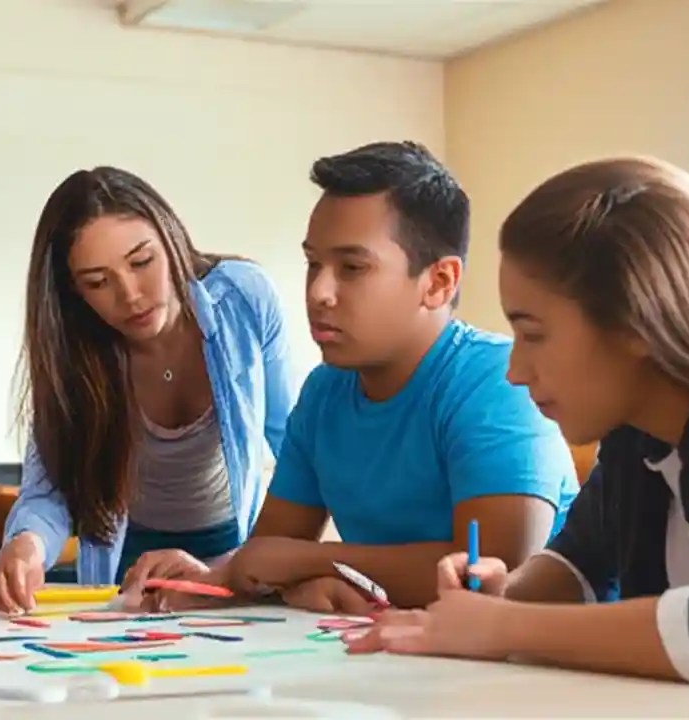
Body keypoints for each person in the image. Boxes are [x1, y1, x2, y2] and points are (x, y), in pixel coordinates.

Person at [126, 142, 579, 611]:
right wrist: (211, 580)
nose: (319, 292)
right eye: (313, 264)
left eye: (353, 268)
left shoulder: (497, 380)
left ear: (439, 282)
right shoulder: (324, 392)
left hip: (548, 667)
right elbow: (266, 558)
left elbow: (488, 568)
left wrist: (312, 563)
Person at [345, 156, 689, 684]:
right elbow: (578, 561)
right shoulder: (635, 440)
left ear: (635, 319)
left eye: (533, 333)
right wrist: (503, 595)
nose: (513, 371)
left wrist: (507, 627)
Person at [0, 166, 298, 613]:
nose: (130, 295)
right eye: (97, 282)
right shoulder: (72, 350)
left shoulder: (244, 298)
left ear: (170, 240)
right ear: (75, 295)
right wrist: (26, 547)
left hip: (232, 551)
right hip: (125, 567)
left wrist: (252, 564)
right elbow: (48, 492)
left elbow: (295, 447)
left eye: (142, 261)